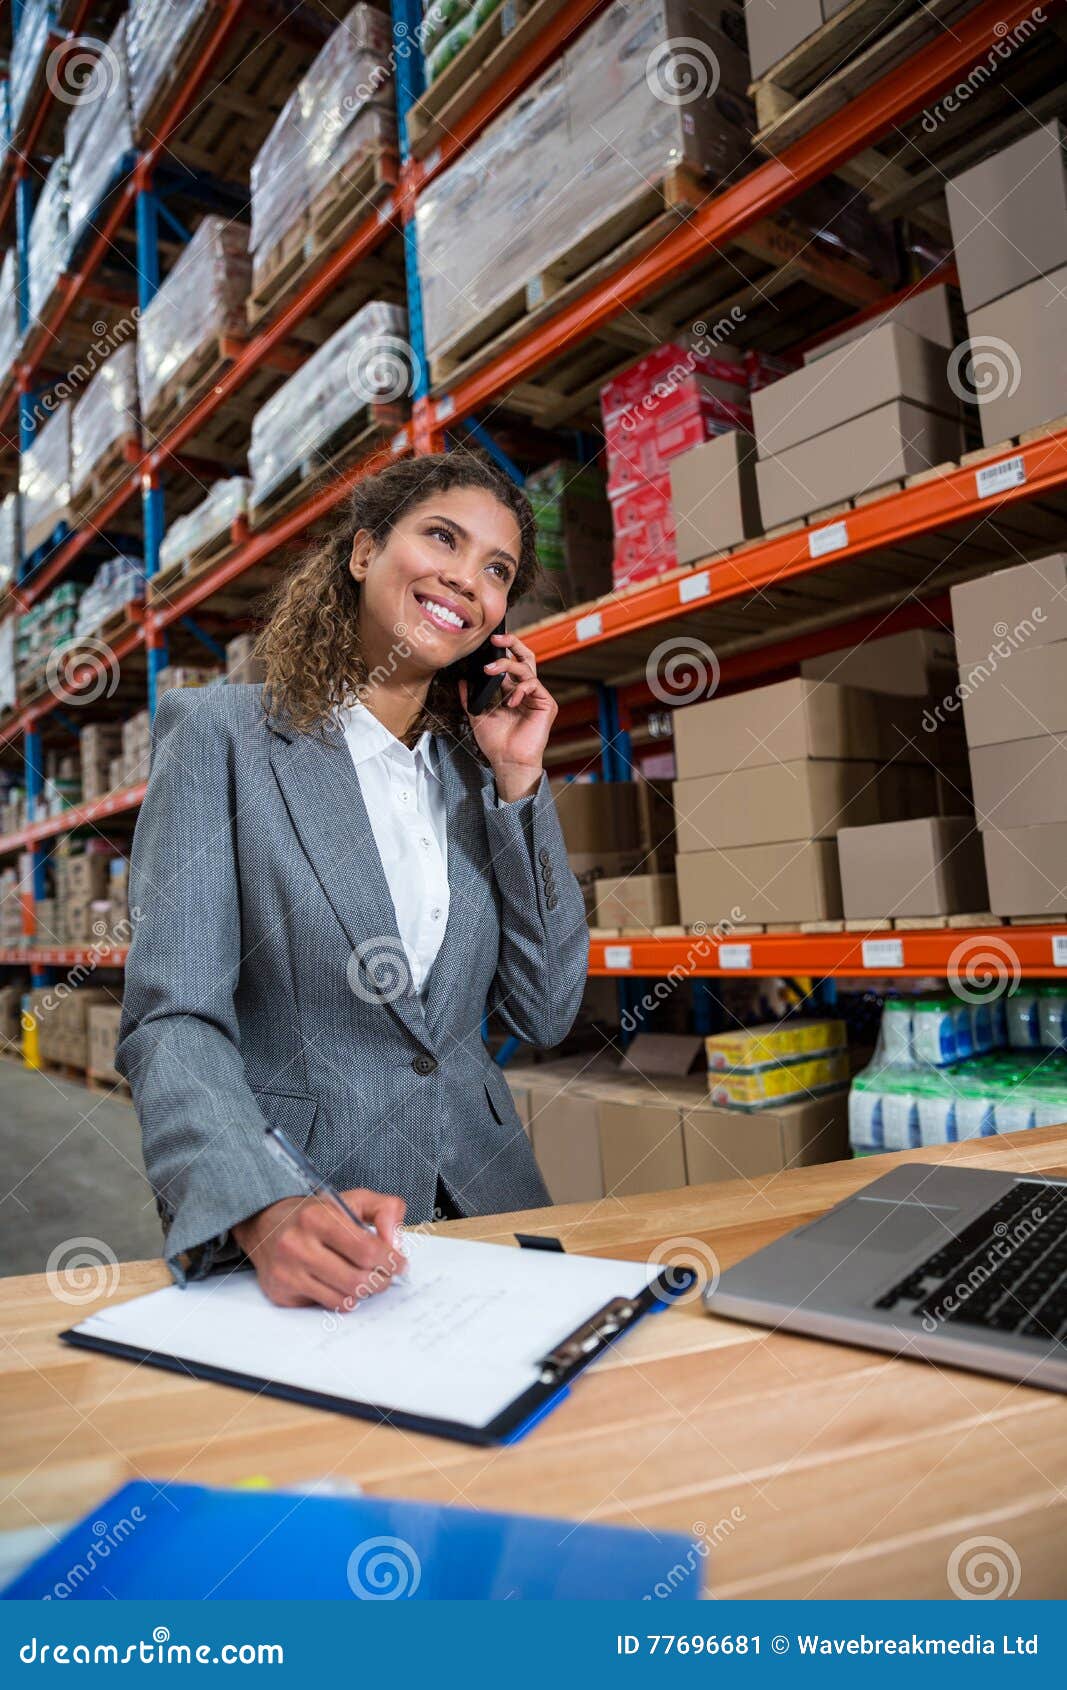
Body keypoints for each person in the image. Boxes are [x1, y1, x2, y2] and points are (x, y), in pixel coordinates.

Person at [116, 450, 589, 1312]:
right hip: (314, 1219)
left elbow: (546, 1009)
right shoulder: (222, 738)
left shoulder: (472, 774)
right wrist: (258, 1204)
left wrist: (519, 782)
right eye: (440, 537)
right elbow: (173, 1020)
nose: (464, 580)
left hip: (489, 1210)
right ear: (365, 551)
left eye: (496, 570)